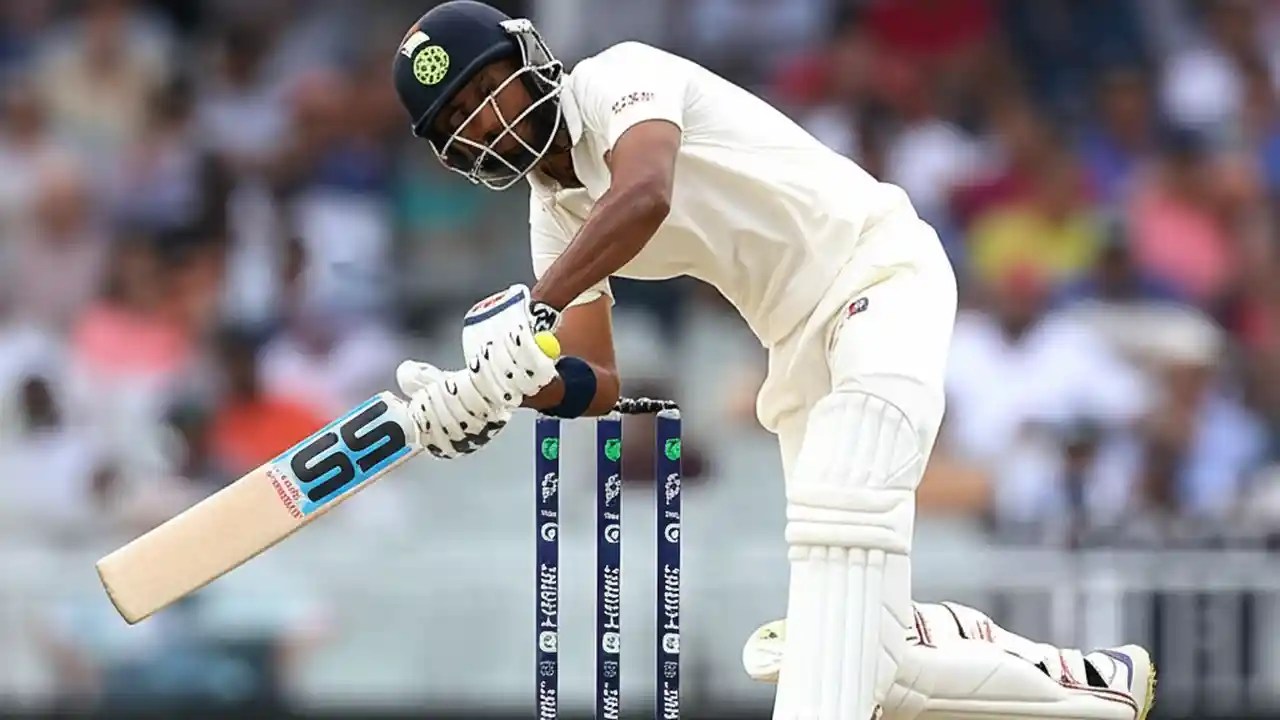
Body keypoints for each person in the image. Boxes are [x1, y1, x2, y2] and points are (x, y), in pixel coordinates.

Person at [389, 3, 1155, 718]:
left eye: (487, 87)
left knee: (838, 517)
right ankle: (1095, 688)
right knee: (877, 656)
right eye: (459, 117)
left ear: (528, 60)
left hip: (879, 273)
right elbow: (600, 383)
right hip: (793, 341)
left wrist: (534, 311)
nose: (485, 118)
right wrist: (505, 389)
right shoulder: (552, 217)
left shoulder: (616, 78)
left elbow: (647, 190)